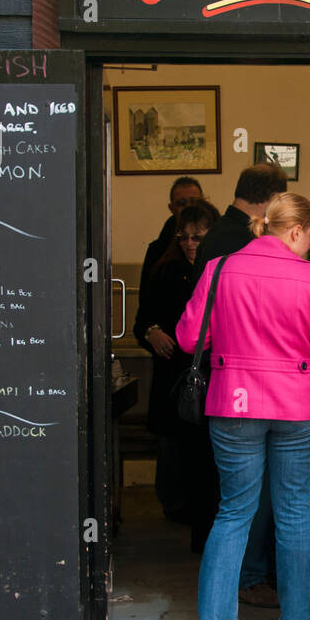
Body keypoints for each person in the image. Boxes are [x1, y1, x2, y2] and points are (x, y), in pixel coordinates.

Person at [176, 192, 310, 620]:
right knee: (294, 512)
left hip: (233, 405)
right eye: (308, 237)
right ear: (296, 231)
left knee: (233, 510)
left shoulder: (218, 269)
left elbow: (189, 336)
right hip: (298, 408)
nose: (306, 245)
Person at [193, 162, 289, 607]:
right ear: (269, 199)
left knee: (235, 503)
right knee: (261, 500)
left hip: (227, 389)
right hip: (260, 389)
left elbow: (193, 331)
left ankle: (220, 613)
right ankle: (256, 578)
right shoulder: (241, 241)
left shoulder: (217, 238)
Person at [134, 200, 221, 544]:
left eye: (197, 238)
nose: (189, 244)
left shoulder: (218, 270)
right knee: (185, 456)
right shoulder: (165, 269)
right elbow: (143, 319)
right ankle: (191, 522)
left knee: (208, 459)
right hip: (176, 377)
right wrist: (151, 331)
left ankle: (205, 529)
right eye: (183, 237)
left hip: (210, 376)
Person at [141, 177, 204, 284]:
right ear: (171, 208)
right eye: (181, 203)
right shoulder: (158, 250)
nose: (188, 208)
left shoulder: (217, 243)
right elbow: (146, 298)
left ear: (204, 204)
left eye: (194, 202)